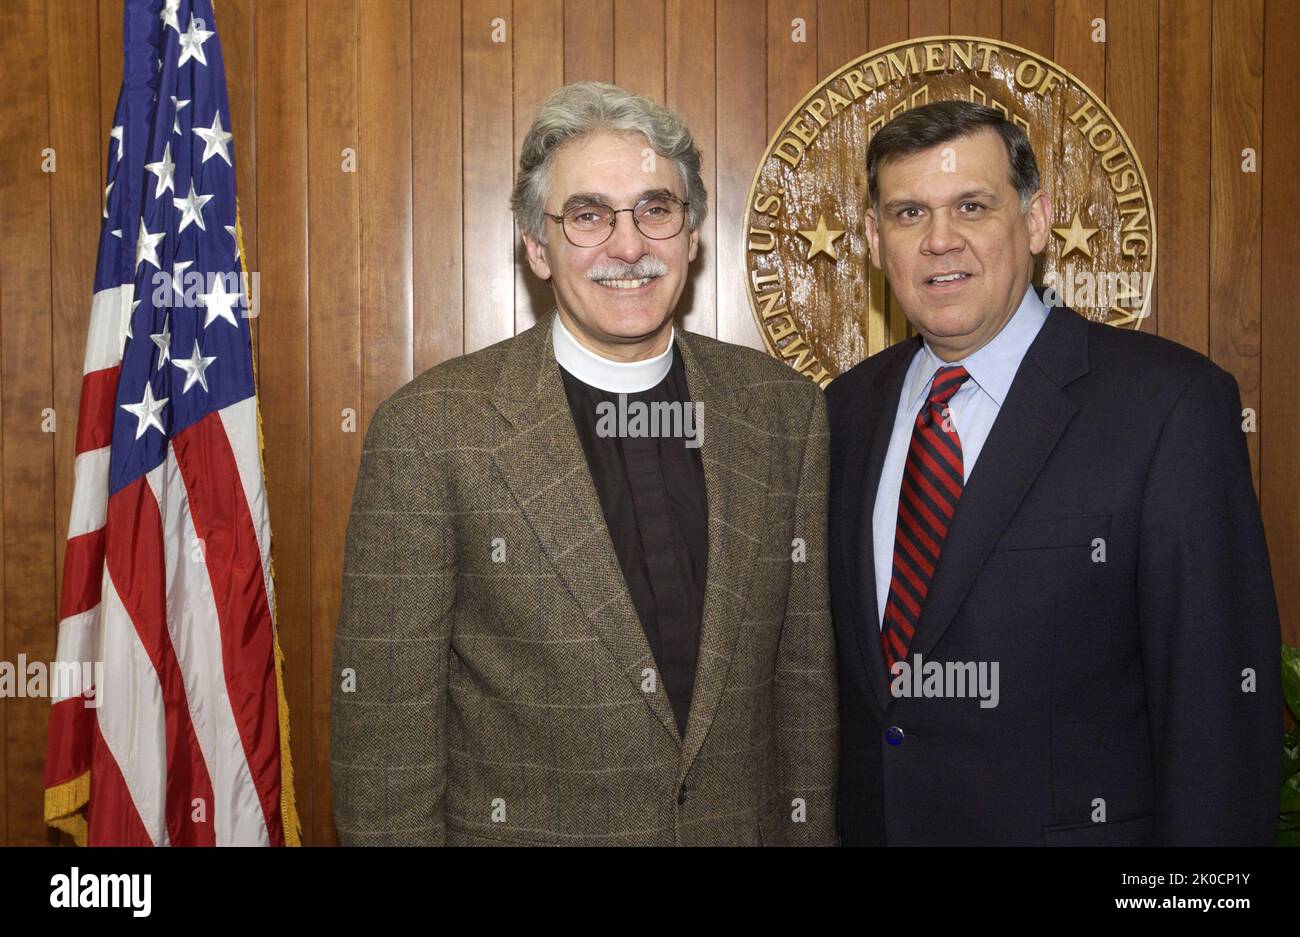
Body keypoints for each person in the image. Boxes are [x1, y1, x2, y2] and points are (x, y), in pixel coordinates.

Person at [331, 81, 837, 846]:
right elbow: (386, 753)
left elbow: (803, 689)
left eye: (656, 209)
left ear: (692, 234)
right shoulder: (432, 430)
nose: (628, 246)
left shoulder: (782, 413)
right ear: (537, 246)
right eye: (589, 215)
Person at [826, 100, 1281, 845]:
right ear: (877, 239)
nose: (941, 241)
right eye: (909, 213)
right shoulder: (841, 414)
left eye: (972, 205)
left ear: (1035, 221)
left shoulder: (1168, 405)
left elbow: (1216, 720)